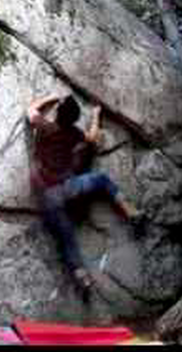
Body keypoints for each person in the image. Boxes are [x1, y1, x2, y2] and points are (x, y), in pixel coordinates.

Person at [27, 93, 140, 290]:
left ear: (57, 113)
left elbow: (30, 111)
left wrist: (51, 97)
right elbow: (93, 138)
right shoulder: (74, 133)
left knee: (66, 235)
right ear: (74, 119)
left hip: (47, 194)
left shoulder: (45, 127)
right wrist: (96, 115)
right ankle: (130, 211)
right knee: (101, 179)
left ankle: (81, 276)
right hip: (68, 187)